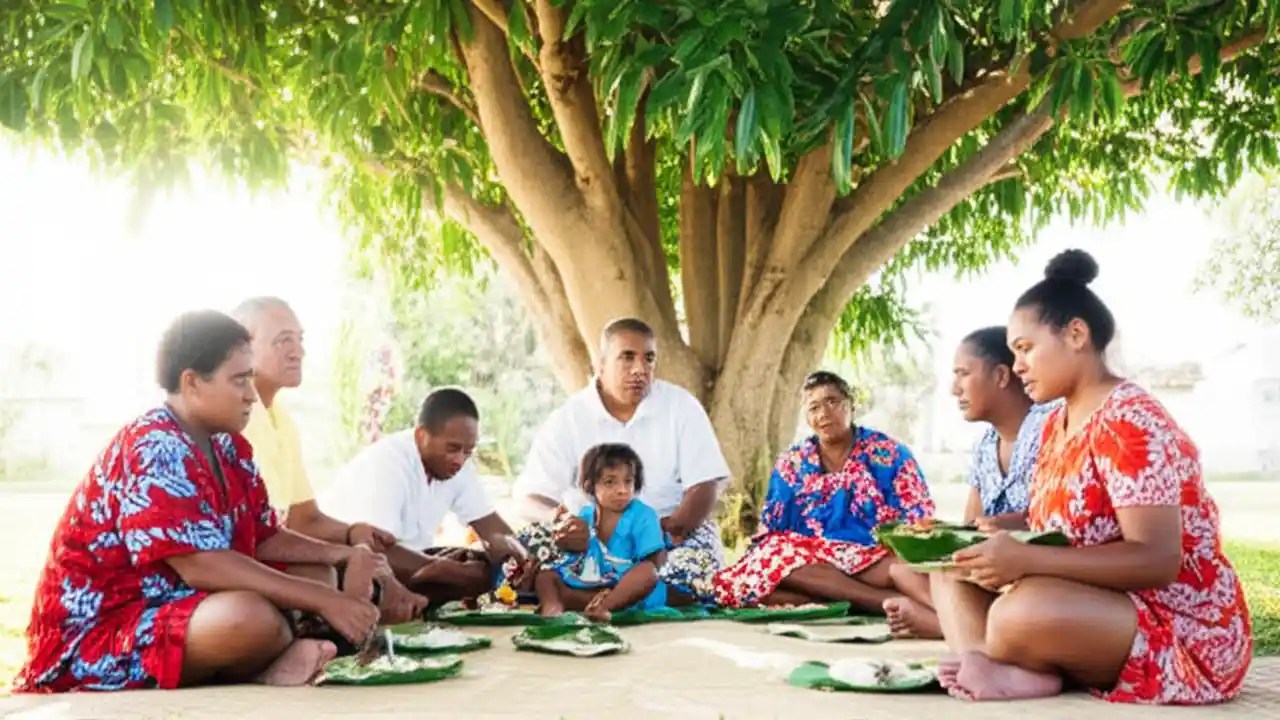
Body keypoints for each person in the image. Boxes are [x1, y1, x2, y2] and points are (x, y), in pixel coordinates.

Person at [932, 250, 1252, 704]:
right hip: (1091, 600)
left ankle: (1013, 663)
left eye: (1025, 349)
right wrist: (999, 530)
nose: (1018, 365)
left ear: (1076, 335)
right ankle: (1013, 666)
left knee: (1019, 612)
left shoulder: (1130, 420)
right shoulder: (1055, 423)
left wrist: (1029, 562)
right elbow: (1073, 523)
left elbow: (1158, 560)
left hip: (1174, 624)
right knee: (950, 572)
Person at [13, 311, 382, 692]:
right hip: (101, 634)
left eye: (250, 379)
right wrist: (323, 600)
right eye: (239, 380)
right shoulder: (152, 445)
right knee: (248, 617)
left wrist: (342, 556)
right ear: (191, 382)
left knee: (313, 573)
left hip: (182, 605)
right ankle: (261, 665)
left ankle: (272, 654)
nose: (251, 394)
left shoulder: (229, 446)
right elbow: (200, 565)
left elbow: (264, 536)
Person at [508, 318, 730, 603]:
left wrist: (674, 527)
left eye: (649, 359)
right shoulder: (570, 417)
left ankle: (578, 597)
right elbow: (529, 496)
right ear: (600, 366)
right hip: (588, 539)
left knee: (697, 571)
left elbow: (705, 484)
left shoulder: (680, 406)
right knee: (525, 549)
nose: (640, 369)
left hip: (662, 537)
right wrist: (563, 522)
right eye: (627, 357)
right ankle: (628, 596)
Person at [233, 296, 422, 623]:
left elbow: (303, 519)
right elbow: (250, 538)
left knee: (371, 563)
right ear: (242, 348)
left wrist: (354, 534)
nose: (298, 352)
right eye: (283, 341)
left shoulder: (281, 419)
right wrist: (348, 557)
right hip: (243, 564)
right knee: (323, 576)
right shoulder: (235, 419)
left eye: (299, 339)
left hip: (273, 551)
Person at [713, 371, 941, 637]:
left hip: (874, 559)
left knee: (898, 569)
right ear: (807, 417)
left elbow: (917, 519)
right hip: (811, 564)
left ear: (850, 405)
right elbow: (771, 533)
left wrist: (891, 554)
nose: (823, 412)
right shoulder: (792, 462)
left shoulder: (889, 454)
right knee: (746, 581)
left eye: (832, 401)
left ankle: (919, 607)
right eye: (814, 407)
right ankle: (880, 603)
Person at [320, 388, 527, 602]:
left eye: (468, 452)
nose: (459, 460)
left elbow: (492, 528)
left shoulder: (459, 467)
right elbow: (375, 552)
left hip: (417, 561)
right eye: (453, 448)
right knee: (466, 577)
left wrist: (512, 551)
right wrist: (451, 571)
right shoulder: (388, 464)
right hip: (351, 568)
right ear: (421, 435)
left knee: (480, 563)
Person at [535, 444, 669, 622]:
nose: (621, 490)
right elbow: (573, 557)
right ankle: (553, 606)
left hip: (626, 591)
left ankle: (603, 607)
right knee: (545, 576)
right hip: (591, 583)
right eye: (610, 482)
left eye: (628, 481)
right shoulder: (586, 514)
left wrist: (620, 591)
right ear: (591, 486)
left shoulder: (644, 515)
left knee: (647, 572)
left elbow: (655, 563)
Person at [952, 326, 1056, 526]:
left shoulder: (1055, 428)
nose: (954, 389)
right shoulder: (984, 446)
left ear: (1001, 375)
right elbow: (969, 530)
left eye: (963, 374)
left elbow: (1071, 525)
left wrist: (1019, 526)